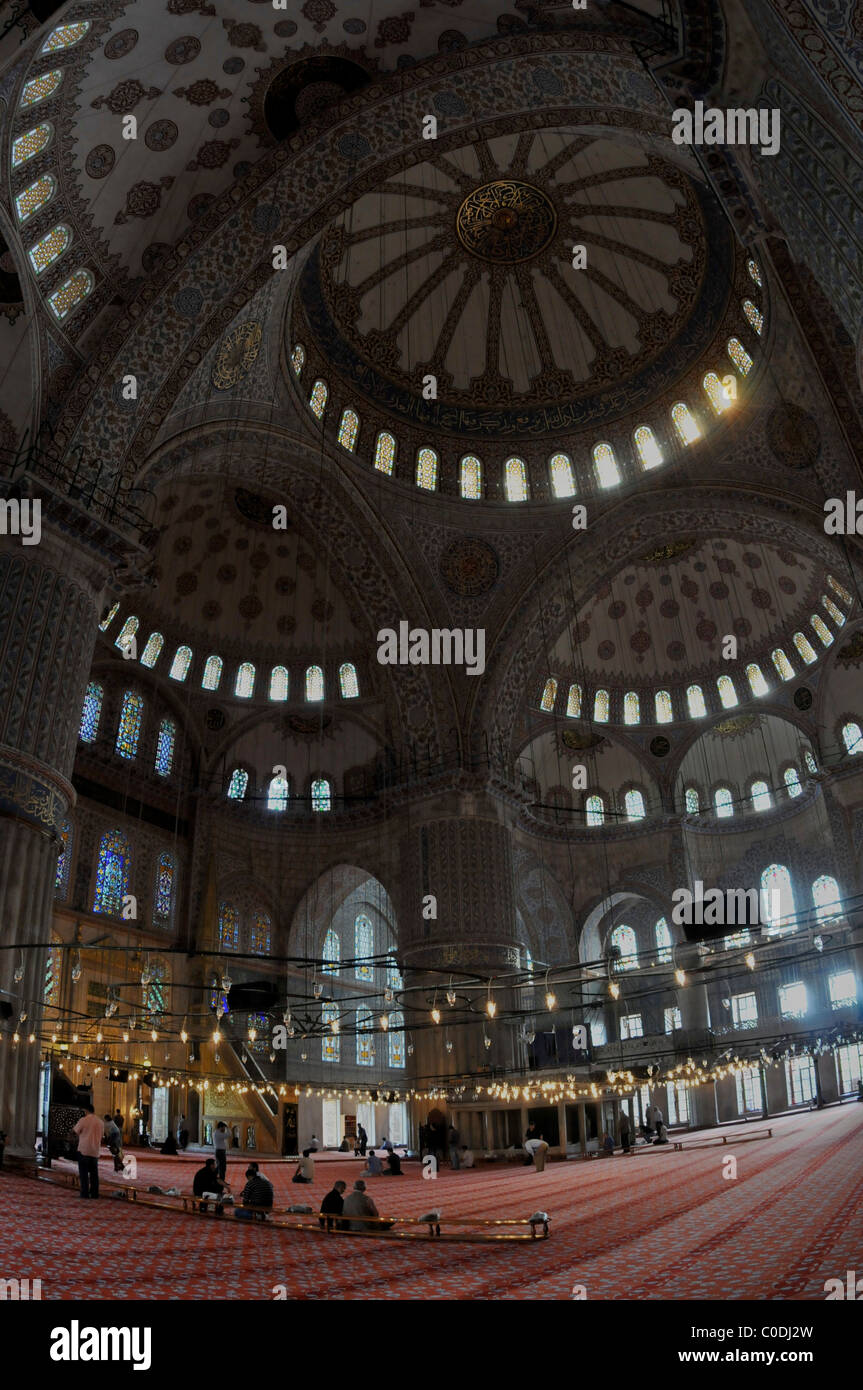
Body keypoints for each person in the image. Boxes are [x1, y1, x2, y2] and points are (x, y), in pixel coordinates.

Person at [73, 1105, 104, 1199]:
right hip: (95, 1151)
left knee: (84, 1174)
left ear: (86, 1110)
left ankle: (85, 1193)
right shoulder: (100, 1122)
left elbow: (75, 1131)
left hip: (84, 1150)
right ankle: (95, 1194)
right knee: (94, 1175)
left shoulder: (84, 1120)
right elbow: (102, 1136)